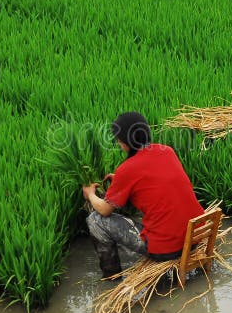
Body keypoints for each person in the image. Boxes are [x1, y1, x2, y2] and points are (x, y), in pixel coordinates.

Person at [82, 111, 204, 278]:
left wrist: (90, 194)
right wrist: (120, 180)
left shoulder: (128, 168)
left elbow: (104, 210)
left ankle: (111, 276)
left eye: (118, 140)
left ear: (125, 142)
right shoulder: (166, 151)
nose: (118, 143)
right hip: (195, 236)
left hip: (168, 248)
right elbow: (154, 181)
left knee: (95, 220)